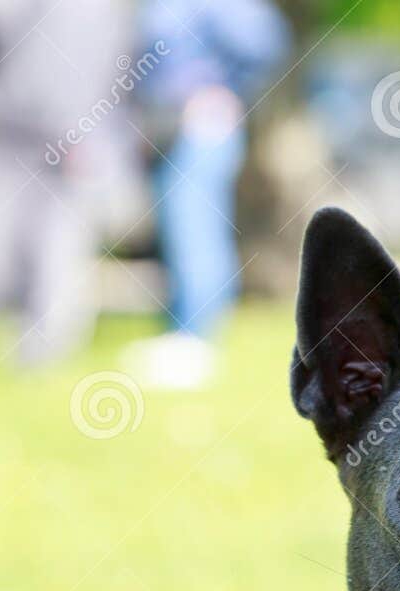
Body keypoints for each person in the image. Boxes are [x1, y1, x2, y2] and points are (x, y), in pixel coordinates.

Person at [0, 0, 135, 366]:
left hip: (70, 141)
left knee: (56, 253)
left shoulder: (103, 10)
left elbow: (116, 69)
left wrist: (97, 133)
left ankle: (41, 355)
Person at [123, 0, 290, 390]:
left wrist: (220, 91)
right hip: (167, 126)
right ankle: (180, 333)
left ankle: (196, 339)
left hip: (202, 130)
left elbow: (264, 44)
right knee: (178, 229)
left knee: (195, 229)